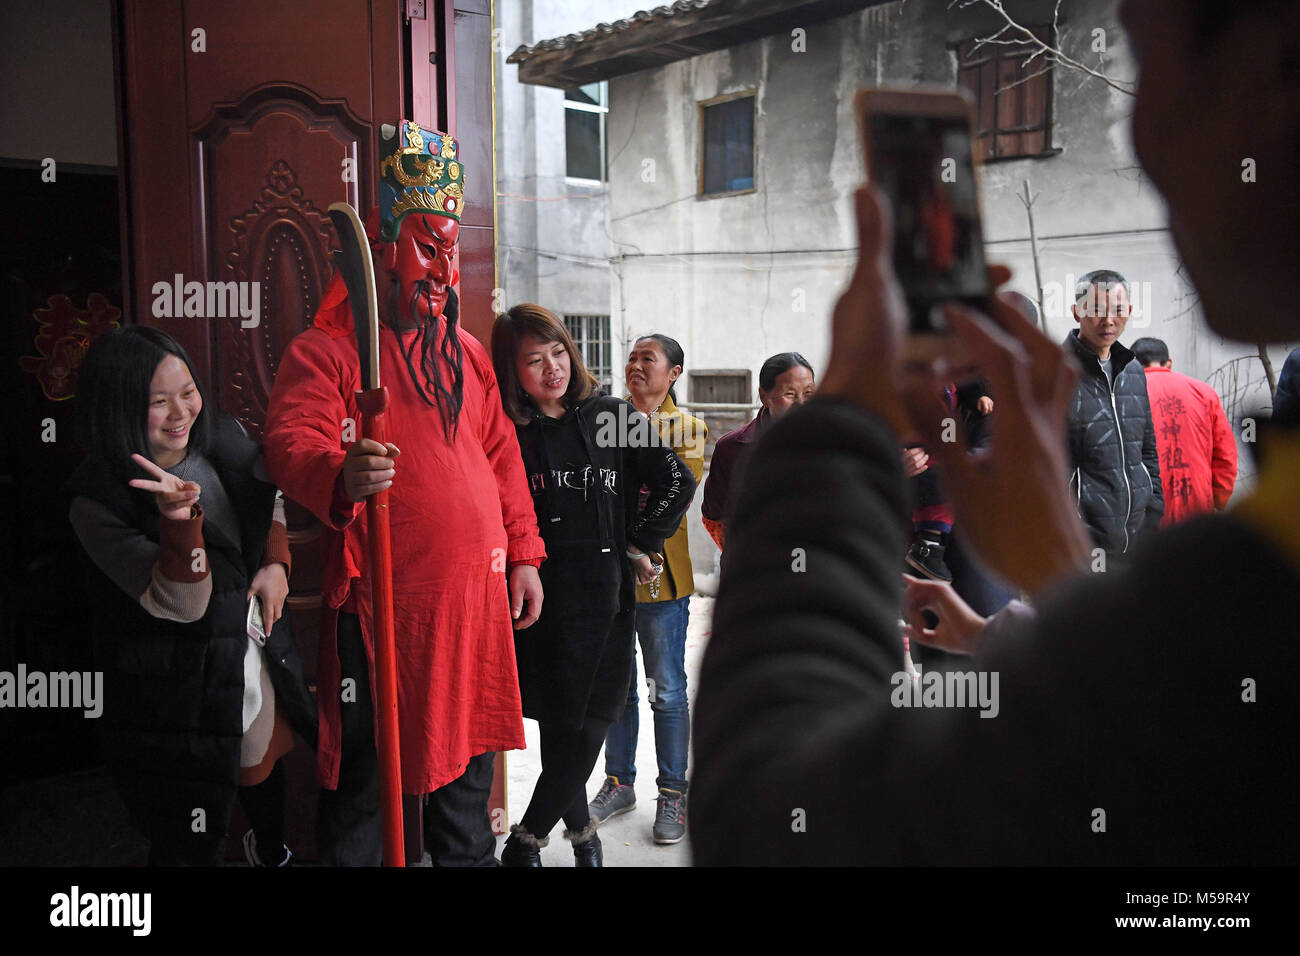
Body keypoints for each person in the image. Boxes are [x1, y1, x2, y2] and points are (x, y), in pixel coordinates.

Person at [691, 0, 1299, 864]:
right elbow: (1160, 736)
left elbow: (770, 823)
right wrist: (1057, 596)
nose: (1144, 137)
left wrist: (847, 421)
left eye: (1145, 56)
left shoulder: (1245, 594)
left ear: (1273, 59)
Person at [262, 121, 546, 866]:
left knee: (465, 784)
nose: (443, 271)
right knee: (366, 787)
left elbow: (501, 455)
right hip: (383, 613)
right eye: (428, 248)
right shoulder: (327, 351)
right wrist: (340, 473)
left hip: (473, 608)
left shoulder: (470, 354)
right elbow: (292, 440)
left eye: (452, 251)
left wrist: (522, 553)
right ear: (382, 253)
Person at [67, 326, 316, 866]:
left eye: (187, 392)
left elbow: (265, 493)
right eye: (158, 402)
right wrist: (180, 523)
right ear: (119, 407)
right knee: (187, 817)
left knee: (261, 766)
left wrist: (276, 562)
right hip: (173, 686)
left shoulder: (220, 435)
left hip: (248, 649)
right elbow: (182, 603)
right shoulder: (99, 502)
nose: (182, 412)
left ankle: (270, 852)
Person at [490, 305, 694, 866]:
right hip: (542, 599)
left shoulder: (609, 413)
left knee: (595, 718)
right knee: (563, 725)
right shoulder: (511, 432)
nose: (552, 368)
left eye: (558, 352)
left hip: (607, 596)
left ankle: (526, 839)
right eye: (534, 360)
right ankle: (583, 837)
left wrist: (641, 541)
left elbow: (678, 478)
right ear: (512, 372)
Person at [588, 334, 707, 845]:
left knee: (668, 689)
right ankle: (619, 782)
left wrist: (638, 545)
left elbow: (665, 499)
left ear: (674, 372)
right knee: (617, 685)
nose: (636, 366)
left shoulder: (689, 429)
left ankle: (674, 790)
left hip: (660, 579)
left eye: (648, 359)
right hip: (609, 578)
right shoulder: (602, 422)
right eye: (632, 358)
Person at [1064, 269, 1163, 563]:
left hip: (1137, 537)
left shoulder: (1133, 370)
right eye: (1096, 310)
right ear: (1076, 312)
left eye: (1118, 310)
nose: (1108, 320)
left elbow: (1147, 449)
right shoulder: (1056, 374)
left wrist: (1154, 510)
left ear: (1129, 311)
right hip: (1083, 543)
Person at [701, 352, 814, 550]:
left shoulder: (830, 444)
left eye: (808, 394)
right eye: (789, 394)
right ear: (764, 396)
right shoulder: (732, 448)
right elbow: (714, 518)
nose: (801, 404)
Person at [1131, 336, 1238, 524]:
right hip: (1196, 507)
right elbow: (1225, 455)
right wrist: (1218, 499)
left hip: (1145, 510)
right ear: (1169, 363)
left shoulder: (1125, 395)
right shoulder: (1205, 393)